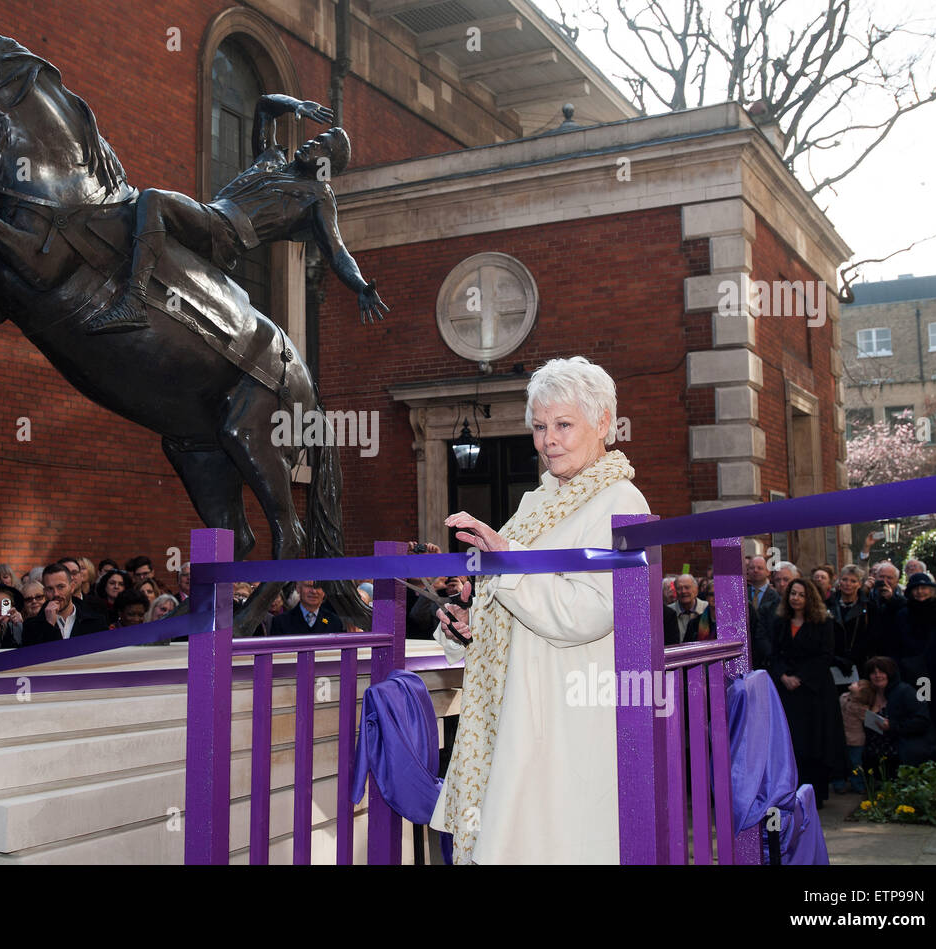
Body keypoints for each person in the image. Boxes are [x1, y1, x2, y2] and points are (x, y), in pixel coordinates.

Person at [428, 356, 648, 864]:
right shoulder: (536, 503)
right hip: (517, 711)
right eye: (541, 426)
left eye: (564, 425)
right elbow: (510, 599)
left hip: (568, 717)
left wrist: (503, 566)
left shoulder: (620, 500)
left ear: (603, 424)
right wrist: (467, 626)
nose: (549, 439)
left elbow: (588, 614)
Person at [86, 94, 386, 334]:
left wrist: (359, 285)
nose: (312, 141)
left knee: (153, 199)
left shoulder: (318, 195)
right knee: (133, 210)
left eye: (323, 145)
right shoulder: (271, 159)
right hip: (210, 217)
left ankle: (134, 301)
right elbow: (265, 106)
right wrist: (297, 105)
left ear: (327, 164)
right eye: (317, 136)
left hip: (224, 234)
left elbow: (338, 251)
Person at [766, 579, 845, 806]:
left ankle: (815, 794)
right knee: (792, 741)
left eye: (801, 594)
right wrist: (783, 676)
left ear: (809, 598)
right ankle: (790, 791)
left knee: (815, 742)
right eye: (792, 594)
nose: (796, 598)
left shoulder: (823, 622)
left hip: (815, 691)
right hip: (787, 690)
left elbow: (825, 655)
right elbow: (774, 654)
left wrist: (800, 678)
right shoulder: (780, 622)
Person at [887, 573, 936, 758]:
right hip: (911, 679)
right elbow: (894, 647)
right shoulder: (903, 616)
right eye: (916, 588)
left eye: (924, 588)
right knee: (916, 719)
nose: (920, 592)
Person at [861, 655, 936, 778]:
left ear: (890, 673)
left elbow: (922, 721)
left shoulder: (906, 692)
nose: (877, 675)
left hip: (899, 754)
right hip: (873, 756)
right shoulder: (867, 694)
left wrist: (893, 726)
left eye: (881, 672)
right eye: (873, 672)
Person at [21, 564, 108, 644]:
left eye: (60, 587)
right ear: (45, 592)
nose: (56, 594)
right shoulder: (31, 626)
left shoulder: (96, 621)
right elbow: (36, 656)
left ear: (72, 587)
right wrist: (49, 625)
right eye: (50, 589)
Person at [827, 564, 874, 677]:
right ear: (839, 581)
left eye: (853, 581)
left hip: (859, 664)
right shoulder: (827, 605)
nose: (848, 584)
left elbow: (871, 636)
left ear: (859, 584)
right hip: (832, 663)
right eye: (844, 580)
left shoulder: (869, 607)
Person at [745, 554, 780, 668]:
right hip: (748, 651)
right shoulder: (742, 594)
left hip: (768, 652)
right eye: (752, 568)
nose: (755, 570)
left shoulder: (775, 595)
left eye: (760, 568)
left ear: (768, 571)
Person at [269, 581, 343, 635]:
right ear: (298, 587)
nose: (314, 591)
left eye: (318, 587)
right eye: (308, 586)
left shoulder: (334, 622)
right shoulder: (281, 622)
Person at [662, 573, 708, 644]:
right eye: (679, 588)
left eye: (687, 587)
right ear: (675, 591)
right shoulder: (668, 613)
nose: (683, 591)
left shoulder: (707, 608)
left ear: (696, 590)